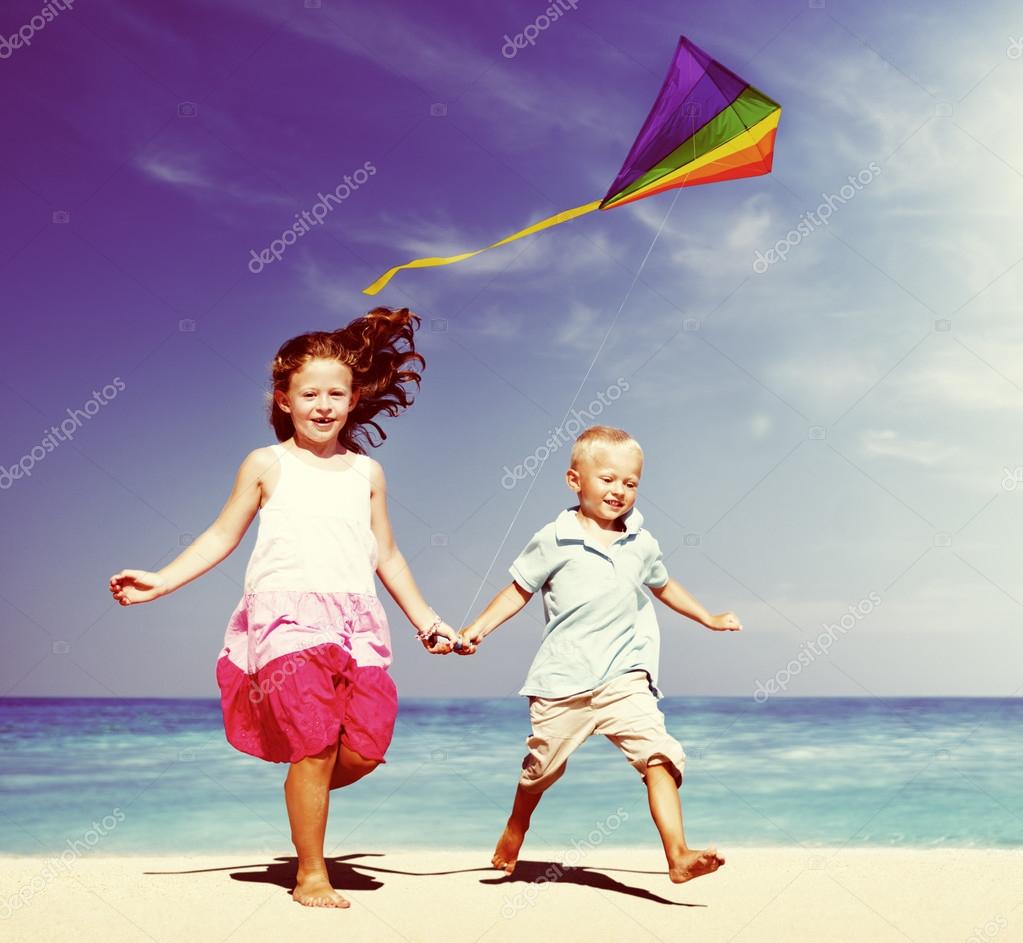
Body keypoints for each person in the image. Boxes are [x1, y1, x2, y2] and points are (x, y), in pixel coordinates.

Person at [108, 307, 461, 908]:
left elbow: (390, 556)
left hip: (356, 624)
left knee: (366, 749)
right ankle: (311, 874)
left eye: (336, 393)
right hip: (285, 622)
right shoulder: (265, 463)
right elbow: (221, 535)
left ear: (354, 399)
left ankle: (307, 779)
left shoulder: (367, 472)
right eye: (309, 394)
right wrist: (161, 581)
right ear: (283, 398)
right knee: (317, 740)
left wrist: (428, 620)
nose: (323, 405)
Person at [459, 425, 742, 884]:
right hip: (562, 680)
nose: (619, 491)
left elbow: (664, 585)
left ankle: (678, 854)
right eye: (608, 479)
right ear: (575, 480)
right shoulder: (554, 537)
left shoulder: (642, 542)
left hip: (624, 676)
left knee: (660, 754)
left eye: (630, 483)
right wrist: (477, 630)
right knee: (540, 771)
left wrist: (707, 617)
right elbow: (518, 591)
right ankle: (517, 824)